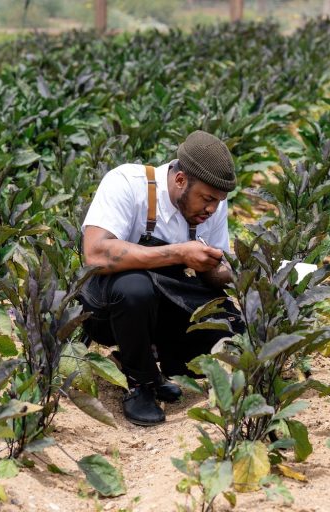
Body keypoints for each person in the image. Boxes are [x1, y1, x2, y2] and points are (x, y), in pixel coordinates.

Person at [79, 130, 242, 426]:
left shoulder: (212, 206)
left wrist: (238, 271)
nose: (212, 209)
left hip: (163, 302)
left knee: (227, 329)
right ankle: (140, 383)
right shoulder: (127, 183)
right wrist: (179, 253)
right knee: (135, 287)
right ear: (180, 180)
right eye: (207, 199)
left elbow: (212, 276)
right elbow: (95, 252)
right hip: (109, 308)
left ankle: (153, 364)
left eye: (219, 201)